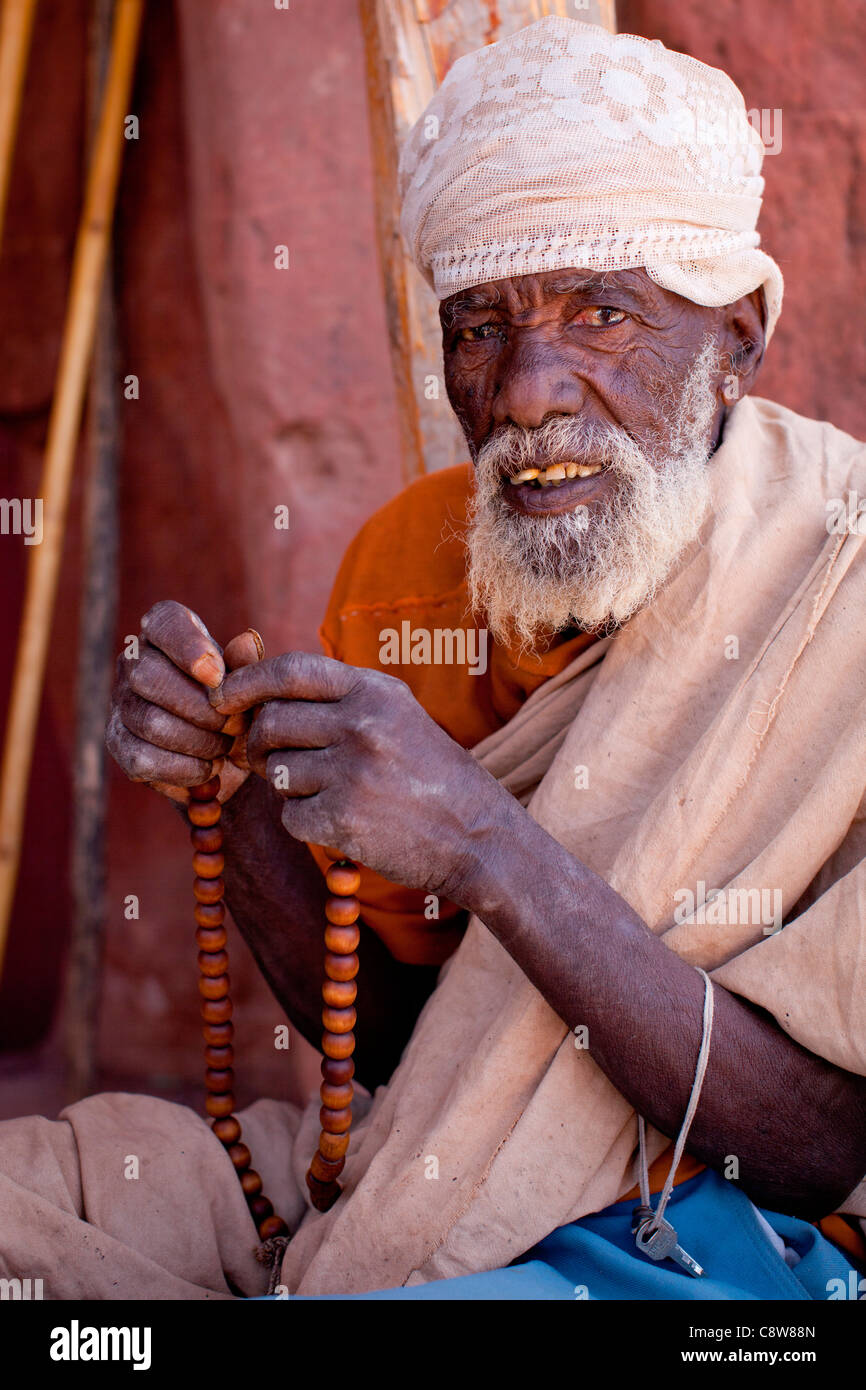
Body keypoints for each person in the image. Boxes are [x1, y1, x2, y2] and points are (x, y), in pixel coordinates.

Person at [3, 16, 866, 1301]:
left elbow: (813, 1147)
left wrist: (480, 840)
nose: (526, 389)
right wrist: (232, 805)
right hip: (439, 1186)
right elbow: (432, 1067)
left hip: (736, 1247)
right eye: (479, 326)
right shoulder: (410, 571)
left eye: (601, 314)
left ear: (736, 334)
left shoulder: (835, 588)